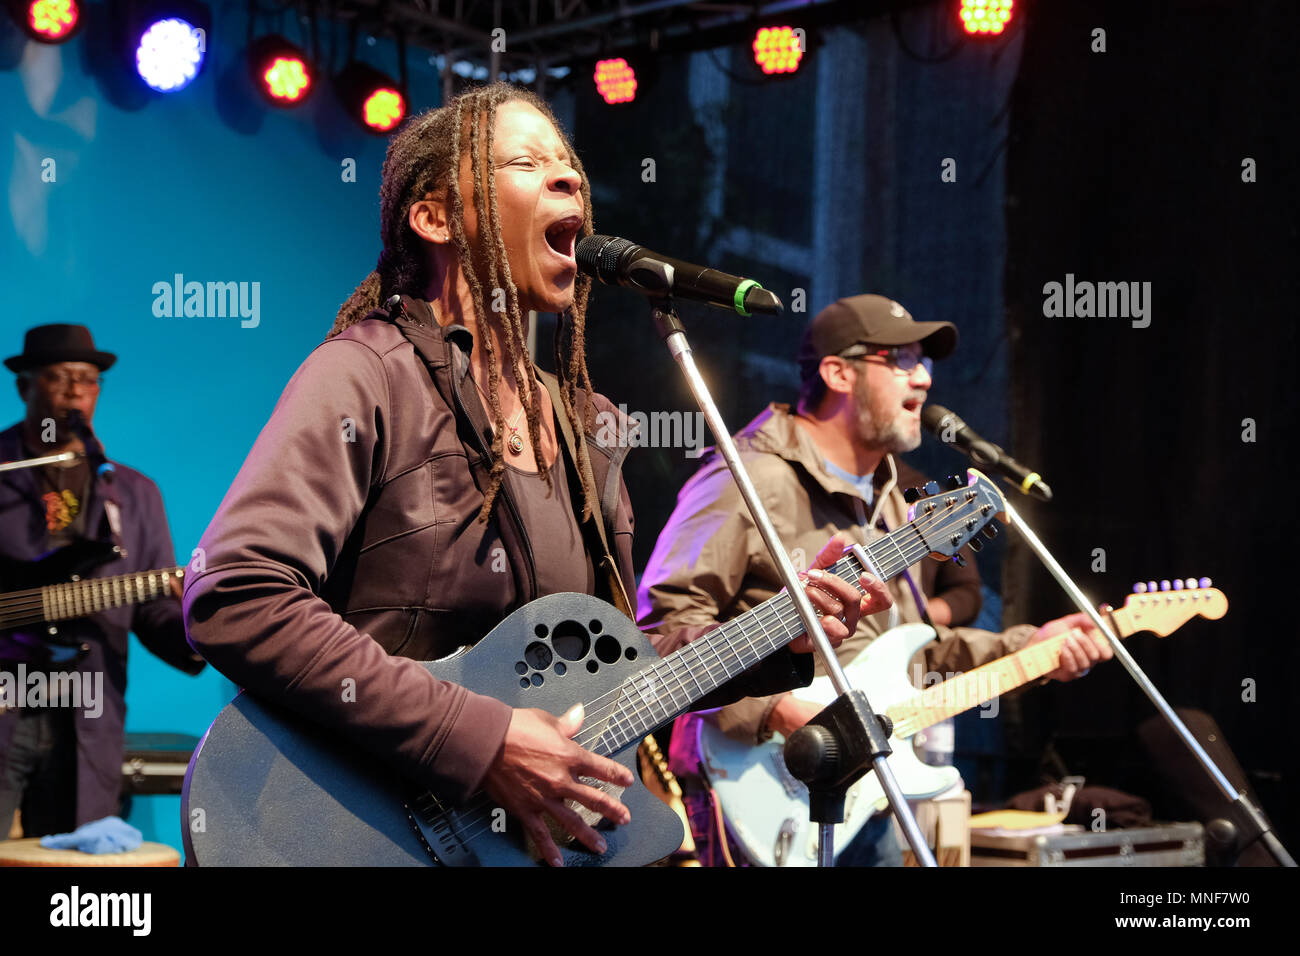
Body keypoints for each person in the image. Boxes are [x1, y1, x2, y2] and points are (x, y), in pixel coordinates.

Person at [181, 83, 885, 867]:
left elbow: (618, 664)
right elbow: (235, 592)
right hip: (357, 831)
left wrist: (779, 635)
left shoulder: (587, 426)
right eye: (526, 161)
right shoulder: (366, 376)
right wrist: (476, 742)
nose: (568, 177)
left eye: (569, 163)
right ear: (437, 216)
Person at [637, 294, 1112, 866]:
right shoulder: (748, 477)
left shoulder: (893, 502)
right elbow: (662, 633)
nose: (924, 379)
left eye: (926, 363)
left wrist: (1031, 648)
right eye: (903, 360)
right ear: (838, 372)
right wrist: (780, 712)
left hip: (870, 795)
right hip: (761, 788)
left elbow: (914, 655)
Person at [0, 324, 205, 838]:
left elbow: (154, 614)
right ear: (25, 387)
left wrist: (200, 615)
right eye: (59, 376)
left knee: (74, 862)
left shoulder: (133, 494)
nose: (74, 390)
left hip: (87, 709)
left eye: (88, 379)